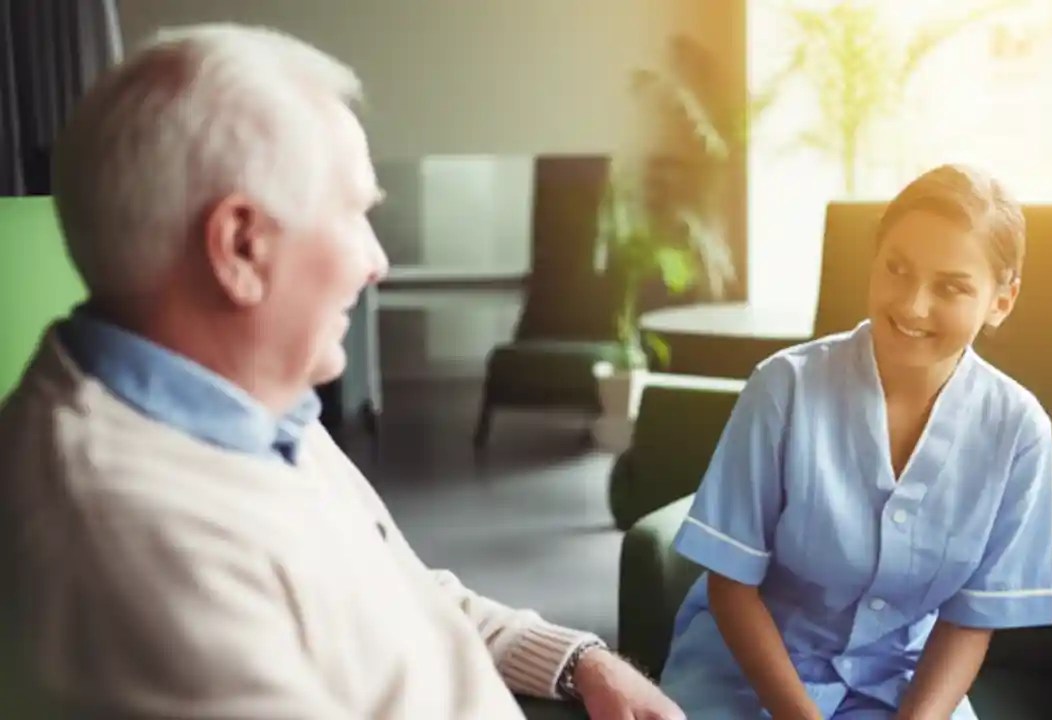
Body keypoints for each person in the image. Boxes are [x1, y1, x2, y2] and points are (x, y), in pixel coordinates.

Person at [0, 23, 682, 720]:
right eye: (355, 214)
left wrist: (575, 661)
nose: (376, 260)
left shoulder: (246, 407)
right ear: (242, 246)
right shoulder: (141, 546)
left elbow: (397, 595)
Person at [657, 164, 1052, 719]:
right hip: (751, 675)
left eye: (951, 287)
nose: (912, 305)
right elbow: (731, 585)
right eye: (896, 269)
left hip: (904, 684)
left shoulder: (1020, 433)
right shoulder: (784, 388)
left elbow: (972, 617)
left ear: (1001, 301)